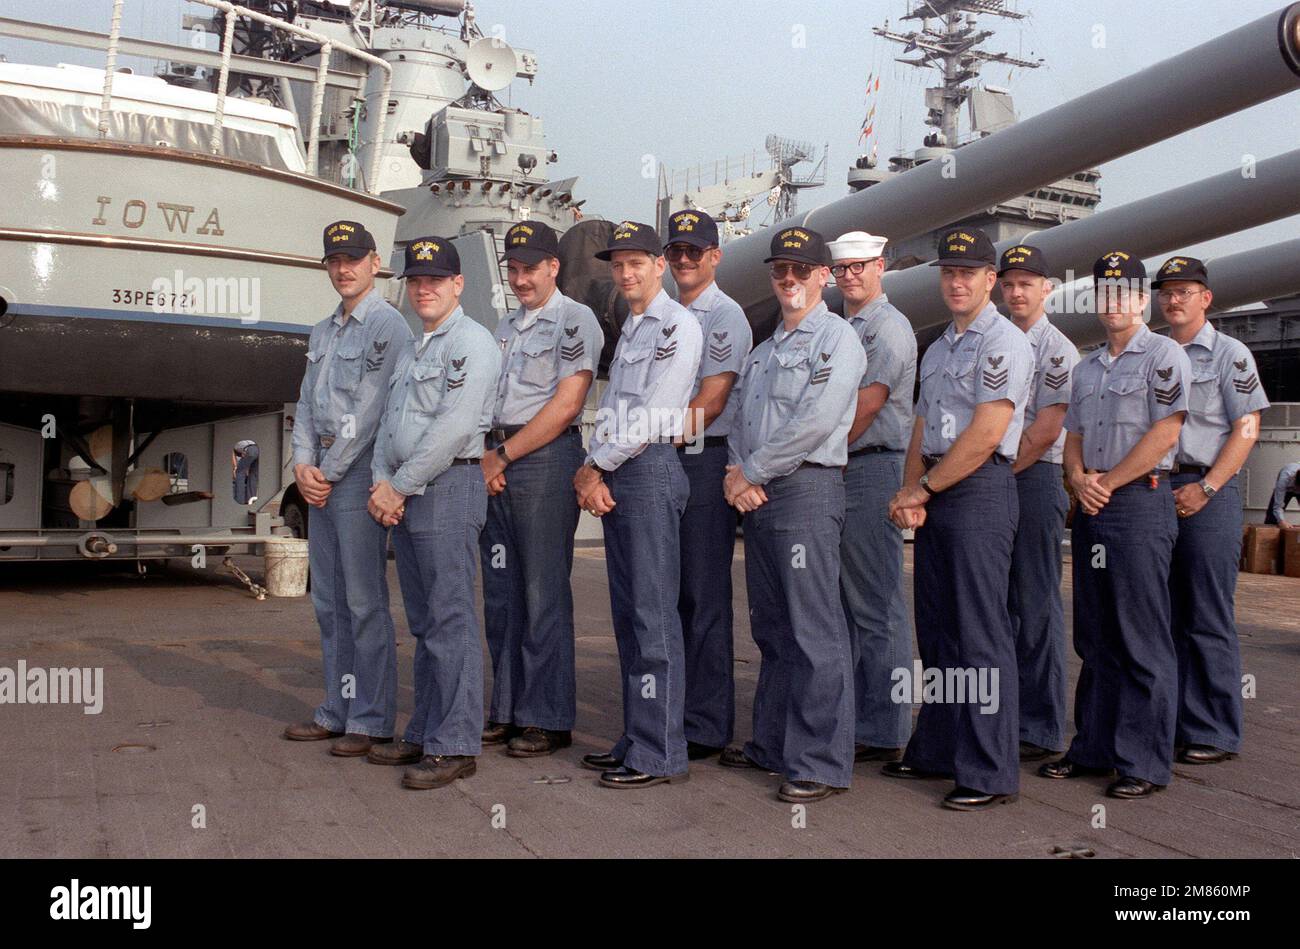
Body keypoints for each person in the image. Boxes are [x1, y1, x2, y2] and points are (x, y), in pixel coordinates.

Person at [886, 227, 1034, 811]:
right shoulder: (942, 343)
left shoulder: (1003, 342)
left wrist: (922, 487)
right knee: (940, 630)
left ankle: (990, 770)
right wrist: (909, 488)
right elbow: (923, 424)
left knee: (980, 635)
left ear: (989, 281)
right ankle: (940, 748)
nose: (955, 281)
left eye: (968, 272)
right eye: (948, 272)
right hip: (938, 490)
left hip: (978, 489)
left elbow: (988, 432)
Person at [720, 226, 866, 802]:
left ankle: (821, 762)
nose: (789, 279)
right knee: (773, 629)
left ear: (824, 277)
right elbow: (740, 422)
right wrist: (739, 476)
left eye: (802, 270)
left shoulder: (838, 340)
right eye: (781, 269)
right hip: (759, 495)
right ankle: (774, 743)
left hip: (806, 491)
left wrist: (750, 472)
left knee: (815, 631)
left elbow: (817, 419)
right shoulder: (764, 350)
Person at [1039, 250, 1191, 799]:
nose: (1113, 303)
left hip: (1138, 503)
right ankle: (1095, 748)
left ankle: (1143, 762)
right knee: (1096, 634)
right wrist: (1077, 477)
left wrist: (1107, 483)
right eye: (1105, 294)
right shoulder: (1087, 367)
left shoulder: (1165, 356)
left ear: (1143, 300)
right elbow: (1073, 435)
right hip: (1094, 504)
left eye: (1124, 293)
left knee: (1141, 637)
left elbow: (1165, 433)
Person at [365, 236, 501, 789]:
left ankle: (455, 743)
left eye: (435, 280)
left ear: (458, 285)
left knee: (450, 620)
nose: (424, 288)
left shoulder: (473, 343)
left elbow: (451, 429)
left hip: (447, 488)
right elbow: (390, 422)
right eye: (416, 280)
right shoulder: (414, 347)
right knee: (423, 624)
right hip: (407, 490)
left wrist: (397, 487)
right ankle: (425, 728)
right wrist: (380, 480)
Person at [573, 221, 702, 789]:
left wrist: (597, 464)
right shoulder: (630, 326)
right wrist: (598, 465)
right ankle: (636, 735)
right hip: (620, 469)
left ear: (660, 265)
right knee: (628, 617)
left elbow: (654, 412)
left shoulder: (678, 325)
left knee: (653, 616)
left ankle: (658, 750)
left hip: (646, 471)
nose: (625, 273)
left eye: (636, 263)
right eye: (617, 264)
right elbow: (617, 409)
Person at [283, 220, 411, 757]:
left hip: (357, 472)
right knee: (328, 602)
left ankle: (371, 718)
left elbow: (370, 409)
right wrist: (300, 463)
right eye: (334, 261)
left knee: (363, 601)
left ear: (374, 262)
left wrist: (326, 472)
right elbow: (308, 400)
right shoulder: (322, 330)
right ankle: (336, 708)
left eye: (353, 259)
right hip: (323, 474)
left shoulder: (389, 327)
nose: (343, 269)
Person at [478, 221, 603, 757]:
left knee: (541, 590)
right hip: (498, 460)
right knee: (503, 592)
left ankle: (547, 717)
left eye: (531, 268)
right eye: (514, 268)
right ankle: (507, 708)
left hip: (544, 461)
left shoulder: (575, 321)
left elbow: (568, 403)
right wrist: (490, 454)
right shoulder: (505, 326)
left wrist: (504, 454)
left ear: (554, 267)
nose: (521, 278)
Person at [1155, 256, 1268, 765]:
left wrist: (1208, 487)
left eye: (1185, 291)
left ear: (1206, 298)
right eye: (1167, 292)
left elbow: (1247, 428)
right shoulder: (1150, 353)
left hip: (1206, 490)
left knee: (1205, 612)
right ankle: (1171, 720)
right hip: (1153, 489)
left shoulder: (1230, 353)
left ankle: (1213, 729)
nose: (1174, 300)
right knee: (1159, 612)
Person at [664, 209, 752, 761]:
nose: (683, 260)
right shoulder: (661, 314)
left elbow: (712, 400)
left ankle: (706, 723)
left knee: (702, 595)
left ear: (715, 257)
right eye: (675, 251)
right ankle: (668, 711)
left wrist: (649, 442)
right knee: (663, 596)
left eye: (694, 251)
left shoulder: (727, 318)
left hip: (700, 459)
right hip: (658, 458)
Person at [827, 230, 916, 764]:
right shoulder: (839, 327)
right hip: (841, 465)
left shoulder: (889, 328)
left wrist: (811, 451)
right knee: (842, 601)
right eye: (842, 269)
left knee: (876, 603)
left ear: (880, 266)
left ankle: (885, 727)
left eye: (860, 267)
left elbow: (867, 406)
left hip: (870, 465)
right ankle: (857, 716)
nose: (851, 276)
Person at [996, 244, 1080, 761]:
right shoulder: (999, 339)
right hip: (997, 478)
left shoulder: (1057, 350)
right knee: (999, 606)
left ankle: (1041, 725)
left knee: (1036, 605)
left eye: (1027, 283)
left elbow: (1047, 426)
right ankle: (1004, 715)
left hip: (1032, 478)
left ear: (1047, 289)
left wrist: (994, 475)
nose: (1016, 291)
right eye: (1008, 283)